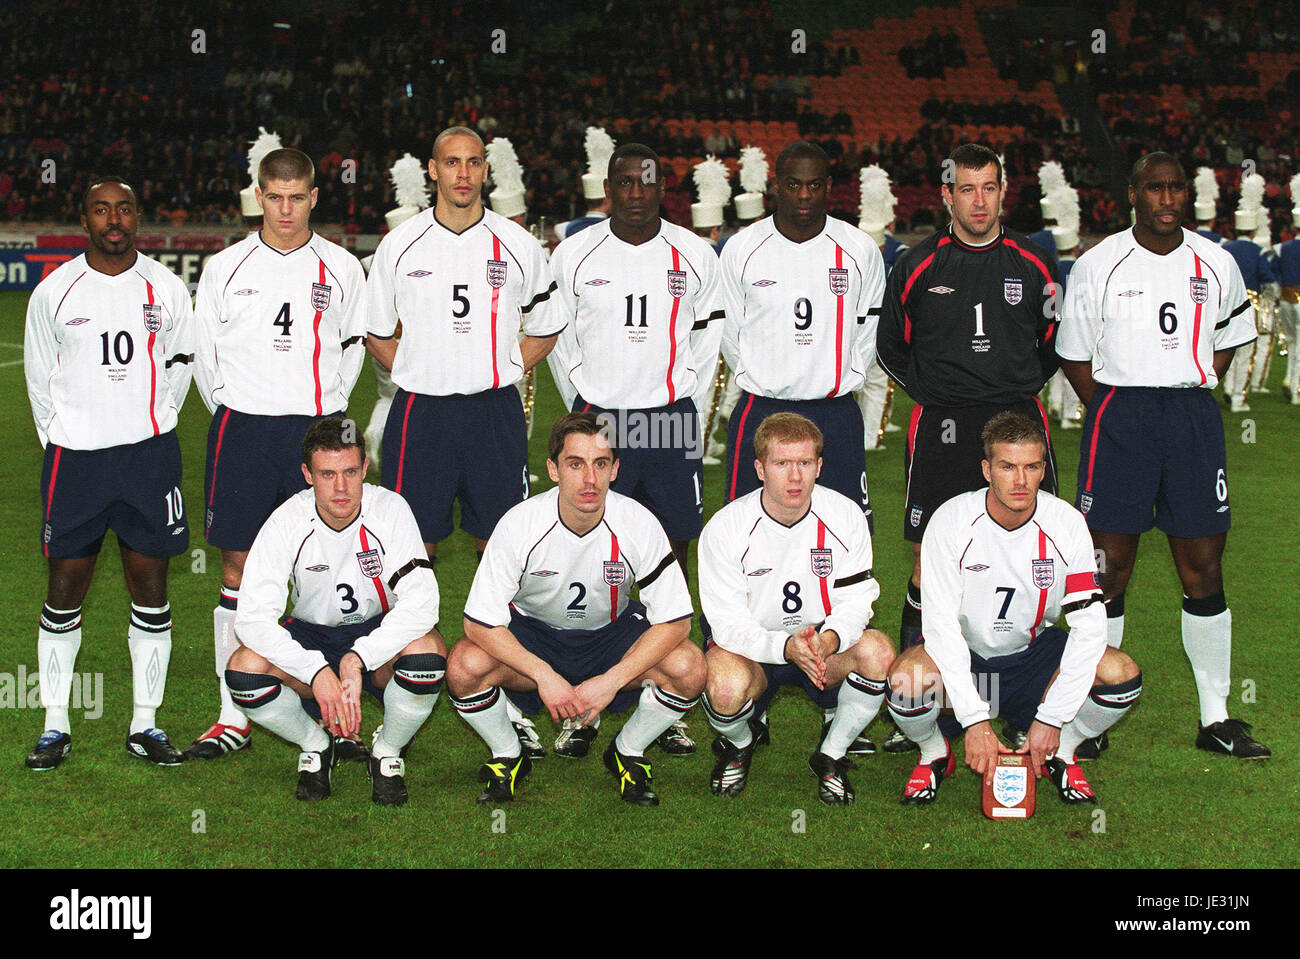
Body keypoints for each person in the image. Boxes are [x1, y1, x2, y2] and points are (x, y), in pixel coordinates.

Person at [1056, 151, 1269, 759]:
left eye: (1177, 187)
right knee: (1106, 569)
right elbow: (1073, 352)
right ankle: (1090, 709)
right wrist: (1115, 408)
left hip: (1192, 420)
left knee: (1202, 565)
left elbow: (1228, 339)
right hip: (1119, 416)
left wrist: (1187, 380)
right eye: (1155, 188)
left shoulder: (1217, 262)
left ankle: (1216, 718)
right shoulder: (1098, 263)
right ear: (1133, 194)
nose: (1168, 198)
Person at [876, 144, 1062, 755]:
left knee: (1030, 554)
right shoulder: (916, 263)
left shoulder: (1034, 261)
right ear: (947, 194)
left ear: (1003, 191)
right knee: (930, 560)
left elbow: (1053, 340)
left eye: (989, 188)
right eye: (967, 189)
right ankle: (917, 693)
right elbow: (891, 346)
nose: (978, 200)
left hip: (1015, 420)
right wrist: (936, 393)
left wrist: (1013, 387)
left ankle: (1031, 701)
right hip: (943, 425)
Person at [187, 147, 369, 760]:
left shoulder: (342, 267)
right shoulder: (224, 268)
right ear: (257, 197)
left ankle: (337, 695)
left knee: (324, 564)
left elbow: (352, 349)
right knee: (238, 572)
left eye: (298, 198)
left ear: (315, 196)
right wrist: (232, 407)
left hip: (316, 432)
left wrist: (326, 411)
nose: (286, 210)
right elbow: (203, 355)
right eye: (275, 197)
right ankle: (230, 711)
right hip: (242, 430)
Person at [545, 143, 722, 757]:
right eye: (625, 181)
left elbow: (708, 340)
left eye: (647, 181)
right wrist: (584, 409)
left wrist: (686, 407)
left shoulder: (696, 254)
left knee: (670, 556)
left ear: (662, 184)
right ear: (609, 186)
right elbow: (559, 341)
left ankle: (664, 701)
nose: (637, 191)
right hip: (600, 421)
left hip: (670, 420)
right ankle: (584, 702)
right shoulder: (573, 253)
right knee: (596, 554)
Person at [446, 413, 705, 807]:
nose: (590, 479)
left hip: (611, 636)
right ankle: (508, 754)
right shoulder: (520, 524)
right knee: (464, 666)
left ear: (615, 470)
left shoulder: (638, 522)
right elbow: (478, 621)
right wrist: (543, 674)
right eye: (575, 464)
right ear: (553, 469)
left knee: (690, 668)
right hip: (535, 636)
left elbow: (675, 620)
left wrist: (613, 679)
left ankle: (628, 751)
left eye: (601, 464)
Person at [883, 412, 1143, 805]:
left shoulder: (1067, 523)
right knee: (905, 681)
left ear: (1043, 469)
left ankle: (1062, 752)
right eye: (1007, 466)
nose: (1020, 480)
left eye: (1031, 467)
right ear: (987, 470)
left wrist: (1052, 718)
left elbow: (1090, 626)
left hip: (1031, 664)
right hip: (966, 663)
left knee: (1121, 674)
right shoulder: (951, 521)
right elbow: (939, 628)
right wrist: (974, 720)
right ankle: (935, 753)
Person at [24, 176, 194, 769]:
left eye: (123, 209)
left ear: (137, 216)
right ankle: (54, 728)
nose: (113, 219)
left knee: (151, 591)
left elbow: (179, 366)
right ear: (85, 218)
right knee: (64, 589)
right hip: (76, 462)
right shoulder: (54, 291)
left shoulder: (166, 287)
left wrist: (150, 422)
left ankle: (145, 725)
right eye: (102, 210)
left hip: (149, 459)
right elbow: (39, 379)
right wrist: (67, 438)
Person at [363, 126, 560, 562]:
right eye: (452, 162)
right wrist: (416, 369)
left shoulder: (518, 244)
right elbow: (374, 333)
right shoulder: (399, 245)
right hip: (420, 411)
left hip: (493, 411)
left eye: (473, 162)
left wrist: (503, 369)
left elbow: (547, 328)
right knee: (411, 545)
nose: (463, 173)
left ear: (486, 170)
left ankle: (490, 633)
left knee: (499, 545)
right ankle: (415, 633)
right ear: (433, 170)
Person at [224, 418, 444, 804]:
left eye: (350, 472)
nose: (341, 487)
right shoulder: (286, 521)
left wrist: (358, 659)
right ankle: (316, 744)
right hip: (312, 635)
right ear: (307, 475)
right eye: (327, 474)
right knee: (244, 670)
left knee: (428, 653)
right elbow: (253, 619)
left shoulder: (390, 509)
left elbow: (423, 601)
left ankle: (387, 750)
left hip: (379, 638)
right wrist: (316, 671)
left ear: (364, 469)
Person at [698, 413, 895, 804]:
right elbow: (726, 622)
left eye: (805, 463)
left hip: (822, 645)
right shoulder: (726, 527)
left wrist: (829, 638)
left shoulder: (846, 516)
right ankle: (741, 742)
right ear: (759, 468)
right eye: (781, 463)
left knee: (878, 652)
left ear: (819, 467)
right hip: (754, 650)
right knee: (722, 688)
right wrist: (785, 648)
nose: (795, 477)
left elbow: (856, 599)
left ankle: (831, 754)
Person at [719, 141, 885, 526]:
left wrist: (835, 376)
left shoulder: (858, 249)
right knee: (745, 530)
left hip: (836, 412)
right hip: (762, 408)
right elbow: (729, 334)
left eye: (814, 185)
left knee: (848, 528)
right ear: (777, 186)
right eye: (794, 184)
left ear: (828, 186)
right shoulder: (742, 248)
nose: (805, 194)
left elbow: (868, 330)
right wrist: (765, 376)